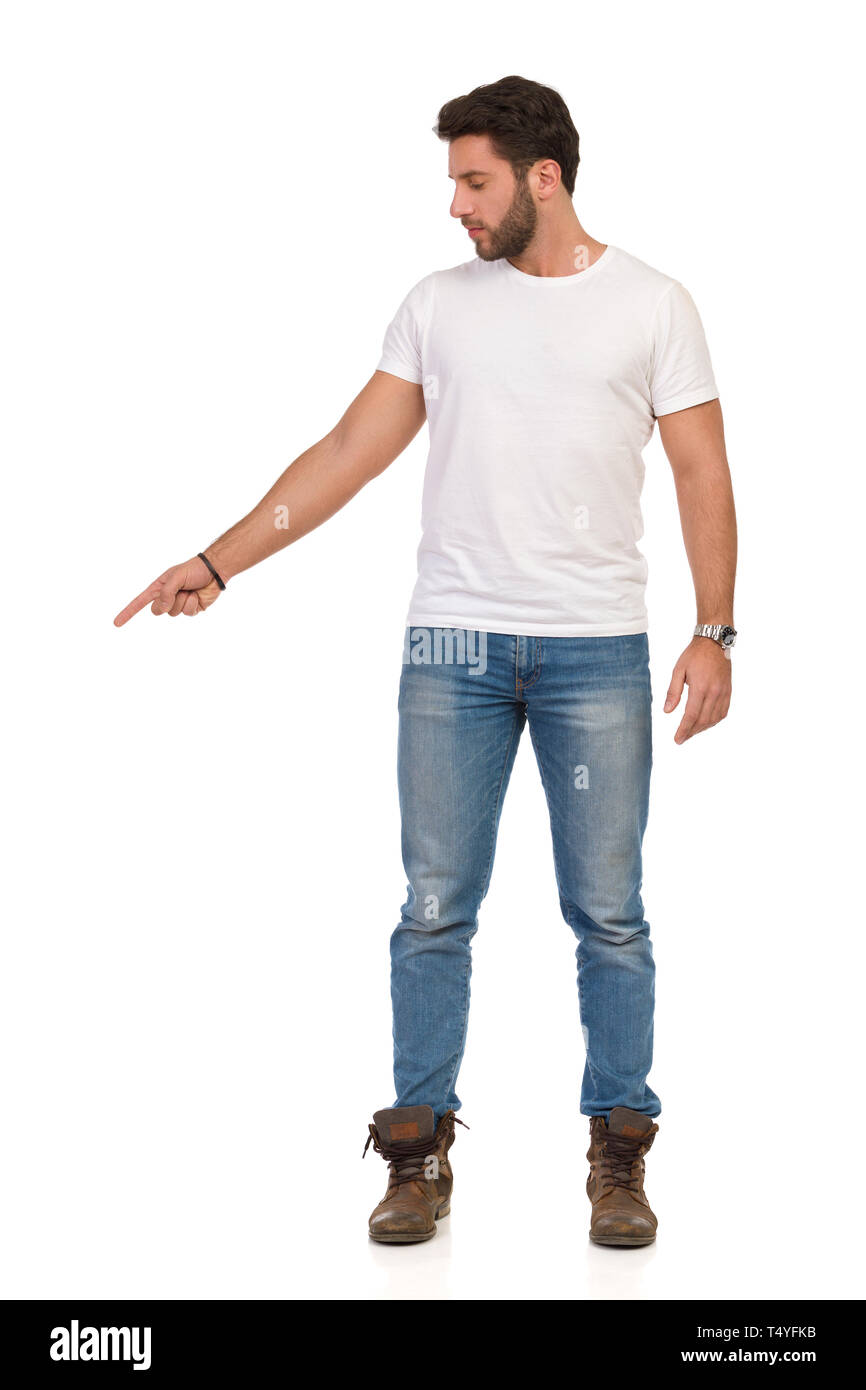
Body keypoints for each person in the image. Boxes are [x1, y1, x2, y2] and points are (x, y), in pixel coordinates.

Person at [115, 75, 737, 1249]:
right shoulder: (436, 306)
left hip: (594, 650)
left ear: (541, 177)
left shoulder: (653, 304)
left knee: (608, 914)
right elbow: (351, 448)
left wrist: (714, 631)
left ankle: (617, 1151)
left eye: (473, 180)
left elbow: (702, 472)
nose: (454, 205)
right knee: (433, 910)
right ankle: (416, 1154)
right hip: (450, 646)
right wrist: (220, 558)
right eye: (454, 180)